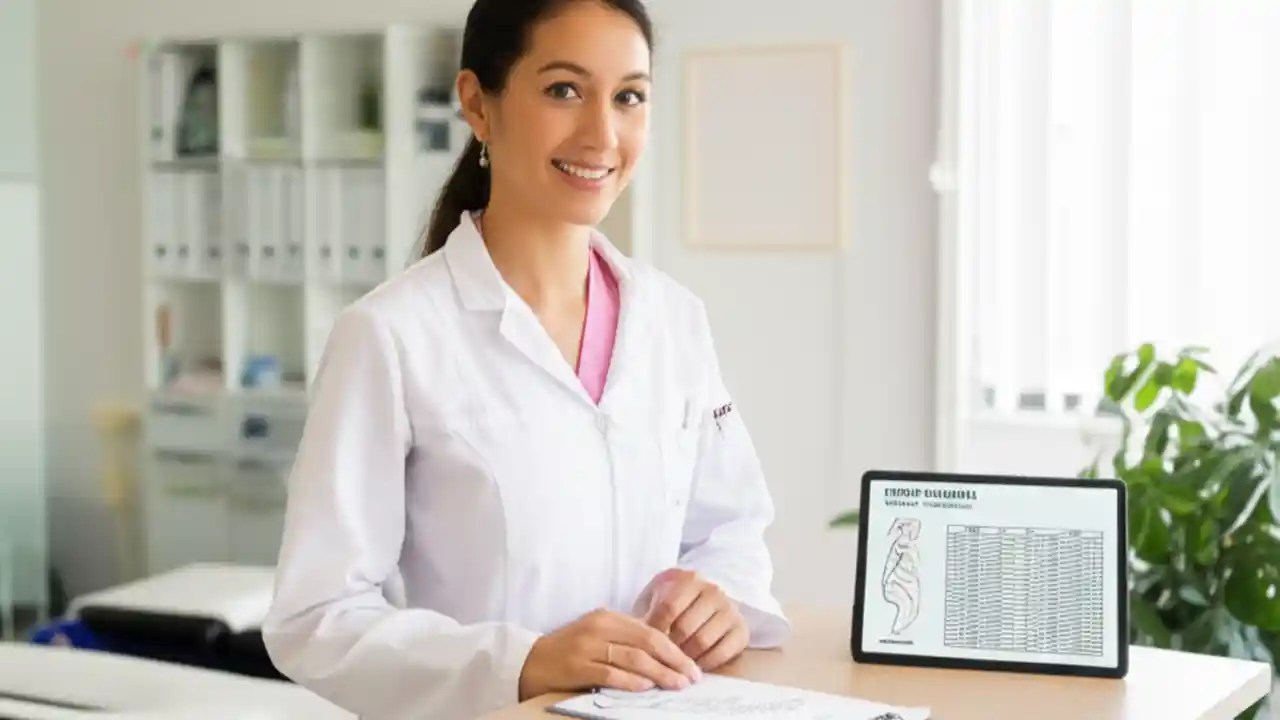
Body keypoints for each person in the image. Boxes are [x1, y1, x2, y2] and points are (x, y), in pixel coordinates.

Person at [261, 0, 790, 717]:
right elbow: (317, 618)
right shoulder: (391, 335)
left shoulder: (673, 319)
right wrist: (524, 662)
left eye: (629, 97)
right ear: (478, 104)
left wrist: (720, 598)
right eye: (564, 90)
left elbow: (728, 529)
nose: (602, 133)